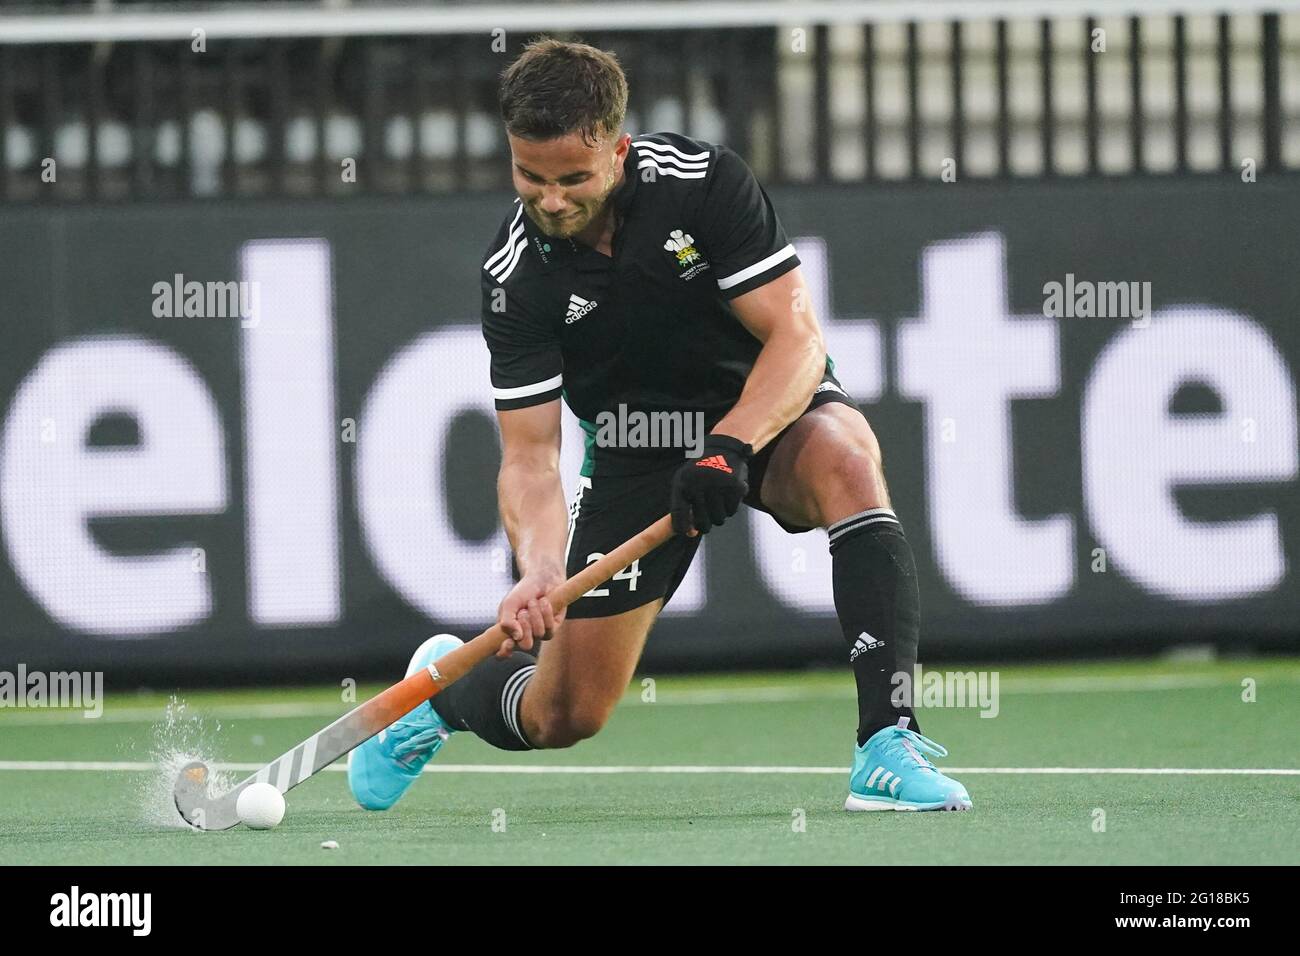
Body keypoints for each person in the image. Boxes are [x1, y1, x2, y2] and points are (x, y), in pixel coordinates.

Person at [348, 37, 970, 814]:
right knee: (564, 713)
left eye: (573, 177)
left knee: (846, 458)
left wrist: (729, 447)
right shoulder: (516, 277)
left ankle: (887, 742)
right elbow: (531, 458)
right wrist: (540, 568)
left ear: (618, 148)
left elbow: (798, 340)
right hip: (636, 452)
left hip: (761, 405)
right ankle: (442, 697)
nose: (549, 200)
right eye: (529, 177)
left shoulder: (703, 185)